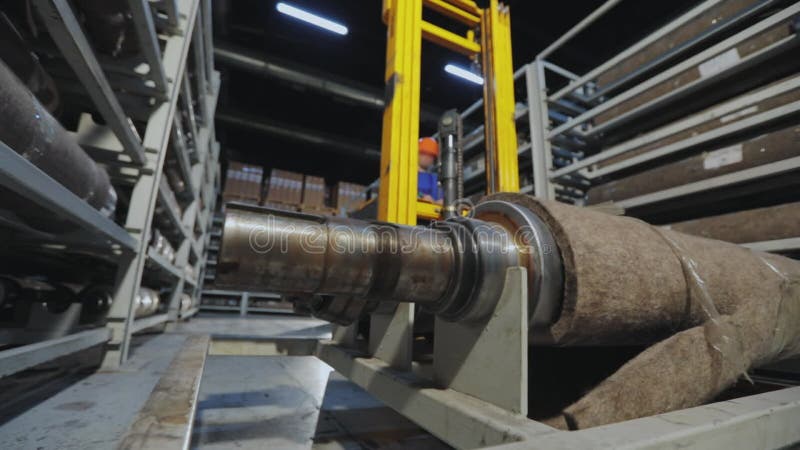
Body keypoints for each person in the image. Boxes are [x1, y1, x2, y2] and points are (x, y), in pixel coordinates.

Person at [417, 137, 443, 204]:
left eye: (431, 155)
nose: (427, 157)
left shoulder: (435, 178)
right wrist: (421, 196)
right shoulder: (406, 173)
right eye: (424, 153)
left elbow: (440, 198)